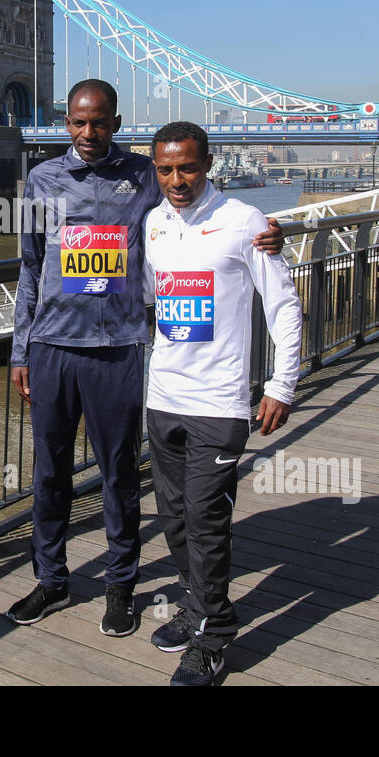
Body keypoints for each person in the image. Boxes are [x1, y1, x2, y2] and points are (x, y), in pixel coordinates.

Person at [5, 80, 284, 637]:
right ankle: (52, 580)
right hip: (53, 347)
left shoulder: (145, 177)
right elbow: (30, 269)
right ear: (66, 122)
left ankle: (119, 587)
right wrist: (21, 350)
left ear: (116, 121)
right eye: (79, 123)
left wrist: (272, 233)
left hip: (119, 350)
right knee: (49, 475)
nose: (90, 134)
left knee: (119, 478)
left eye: (101, 122)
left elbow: (201, 210)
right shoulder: (41, 180)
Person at [143, 120, 303, 686]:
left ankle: (213, 640)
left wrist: (282, 384)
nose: (176, 179)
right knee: (172, 517)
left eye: (187, 167)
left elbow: (282, 305)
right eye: (165, 169)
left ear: (207, 163)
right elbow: (147, 298)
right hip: (163, 396)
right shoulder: (154, 223)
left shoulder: (245, 223)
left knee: (206, 519)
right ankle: (197, 605)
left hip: (220, 402)